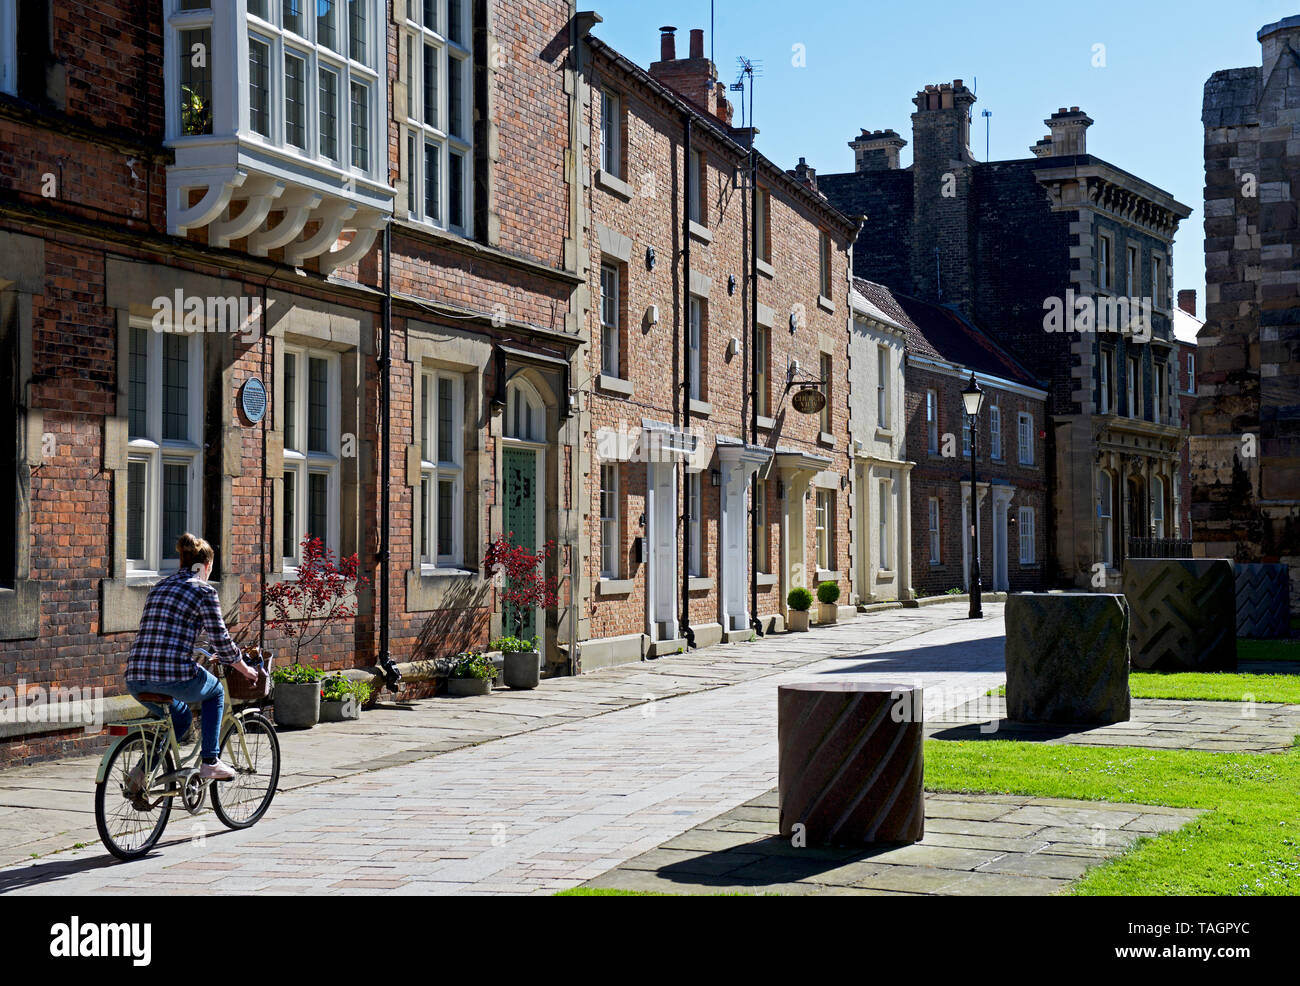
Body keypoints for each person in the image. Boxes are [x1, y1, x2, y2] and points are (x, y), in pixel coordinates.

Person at [125, 533, 257, 781]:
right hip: (173, 677)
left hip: (135, 677)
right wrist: (245, 669)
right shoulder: (203, 591)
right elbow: (221, 639)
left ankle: (140, 775)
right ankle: (210, 761)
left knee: (182, 717)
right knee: (216, 692)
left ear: (181, 563)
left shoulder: (160, 587)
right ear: (206, 566)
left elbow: (169, 631)